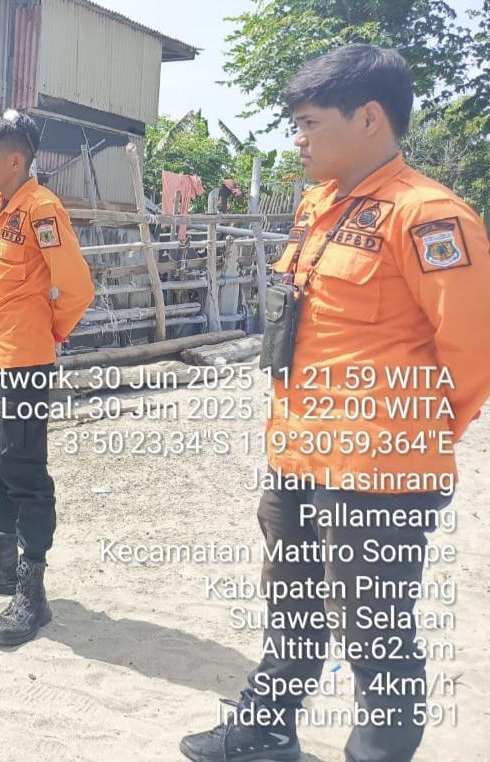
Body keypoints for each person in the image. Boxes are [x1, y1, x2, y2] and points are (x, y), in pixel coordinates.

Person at [180, 45, 490, 762]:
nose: (299, 138)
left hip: (379, 473)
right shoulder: (321, 207)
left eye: (311, 123)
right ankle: (264, 729)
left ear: (371, 118)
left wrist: (408, 439)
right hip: (300, 455)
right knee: (291, 605)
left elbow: (473, 353)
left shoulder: (429, 216)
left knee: (376, 631)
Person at [0, 111, 94, 647]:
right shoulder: (0, 207)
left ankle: (33, 588)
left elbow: (76, 287)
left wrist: (45, 333)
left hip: (23, 364)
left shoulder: (42, 209)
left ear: (15, 160)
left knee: (24, 469)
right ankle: (1, 564)